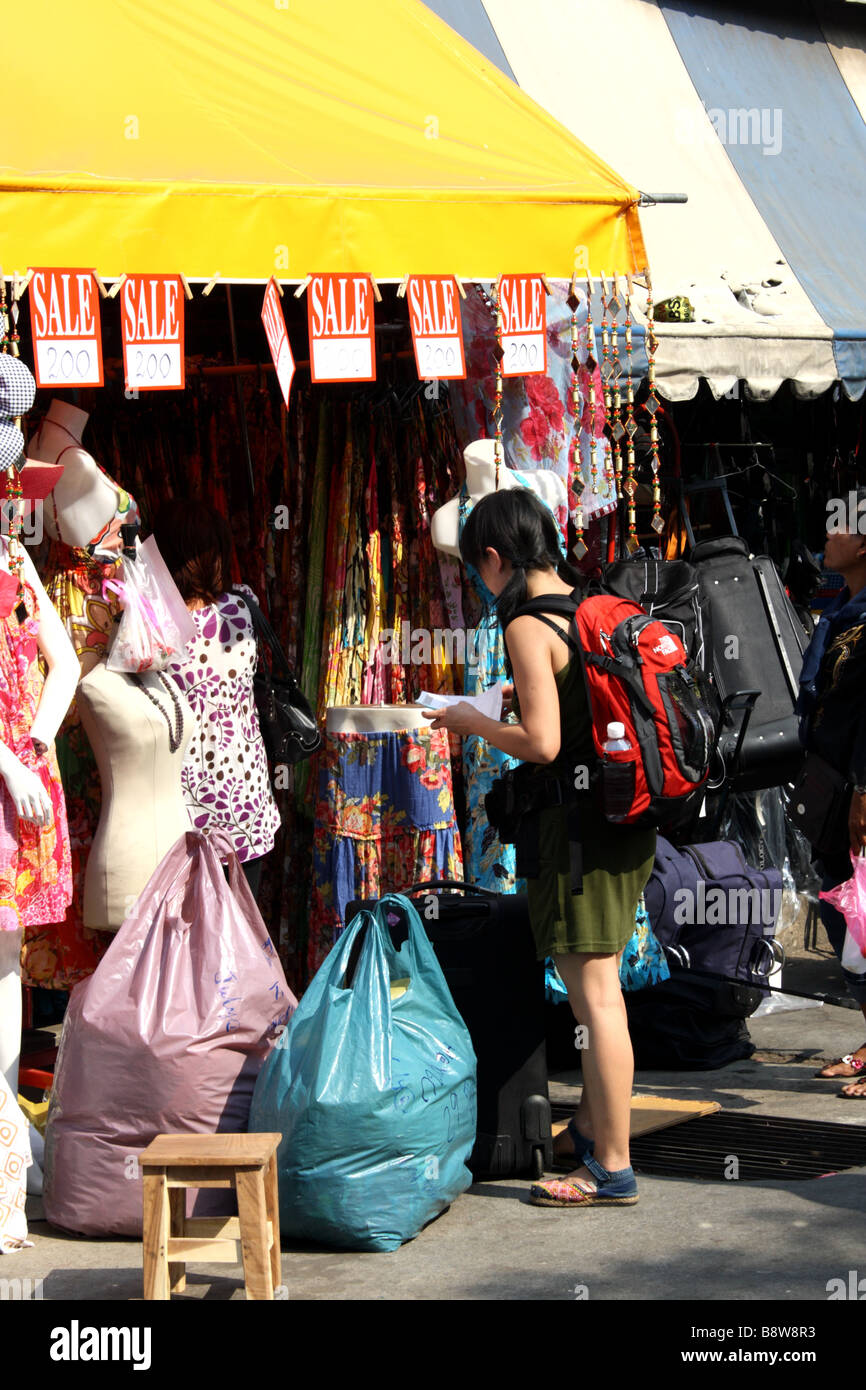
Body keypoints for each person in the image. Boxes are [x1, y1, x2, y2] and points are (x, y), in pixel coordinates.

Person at [424, 487, 655, 1207]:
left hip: (577, 830)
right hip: (620, 821)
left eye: (477, 571)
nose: (481, 585)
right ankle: (591, 1125)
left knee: (595, 998)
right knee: (602, 986)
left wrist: (471, 721)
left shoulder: (528, 622)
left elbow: (544, 742)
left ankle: (610, 1166)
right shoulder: (582, 606)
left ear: (494, 558)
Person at [152, 502, 280, 894]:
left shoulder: (155, 622)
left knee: (186, 936)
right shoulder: (244, 605)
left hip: (184, 806)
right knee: (240, 928)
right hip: (246, 798)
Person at [796, 488, 866, 1097]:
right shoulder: (840, 608)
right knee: (844, 910)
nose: (828, 535)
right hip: (830, 785)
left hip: (859, 789)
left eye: (839, 527)